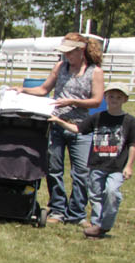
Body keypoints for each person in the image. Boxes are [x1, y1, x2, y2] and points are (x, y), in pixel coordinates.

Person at [18, 33, 105, 224]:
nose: (67, 56)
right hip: (56, 124)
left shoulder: (94, 72)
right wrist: (22, 90)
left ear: (80, 51)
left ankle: (77, 213)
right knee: (54, 169)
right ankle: (57, 209)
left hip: (80, 127)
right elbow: (43, 89)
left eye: (70, 53)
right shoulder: (60, 67)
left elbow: (97, 100)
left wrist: (73, 101)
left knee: (81, 172)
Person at [50, 82, 132, 239]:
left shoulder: (129, 121)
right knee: (96, 196)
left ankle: (105, 225)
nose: (114, 99)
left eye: (118, 97)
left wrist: (128, 166)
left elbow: (132, 145)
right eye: (111, 96)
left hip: (117, 166)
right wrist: (58, 121)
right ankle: (96, 226)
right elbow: (78, 129)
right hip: (97, 165)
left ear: (125, 100)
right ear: (105, 98)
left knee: (112, 192)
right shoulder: (97, 117)